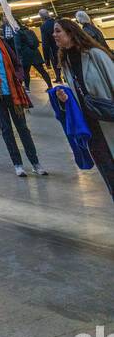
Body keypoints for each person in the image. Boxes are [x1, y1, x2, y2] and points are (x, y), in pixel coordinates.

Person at [0, 17, 47, 177]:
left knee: (23, 129)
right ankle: (17, 164)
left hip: (12, 92)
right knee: (6, 129)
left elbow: (17, 62)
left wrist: (18, 77)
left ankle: (35, 162)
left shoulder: (3, 44)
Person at [53, 17, 114, 203]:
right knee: (109, 174)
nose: (54, 35)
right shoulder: (65, 62)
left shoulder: (95, 54)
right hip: (91, 128)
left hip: (109, 122)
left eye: (58, 31)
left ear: (71, 33)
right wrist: (65, 98)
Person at [14, 23, 52, 90]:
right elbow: (37, 42)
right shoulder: (30, 31)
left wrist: (19, 57)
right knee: (42, 71)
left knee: (26, 72)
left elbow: (18, 47)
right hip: (35, 53)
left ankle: (27, 87)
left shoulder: (17, 34)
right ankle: (50, 86)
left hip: (25, 55)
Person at [39, 8, 61, 82]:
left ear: (41, 17)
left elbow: (45, 44)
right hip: (63, 46)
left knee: (56, 63)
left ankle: (58, 77)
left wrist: (46, 59)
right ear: (48, 14)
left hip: (53, 49)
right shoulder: (57, 22)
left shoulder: (44, 26)